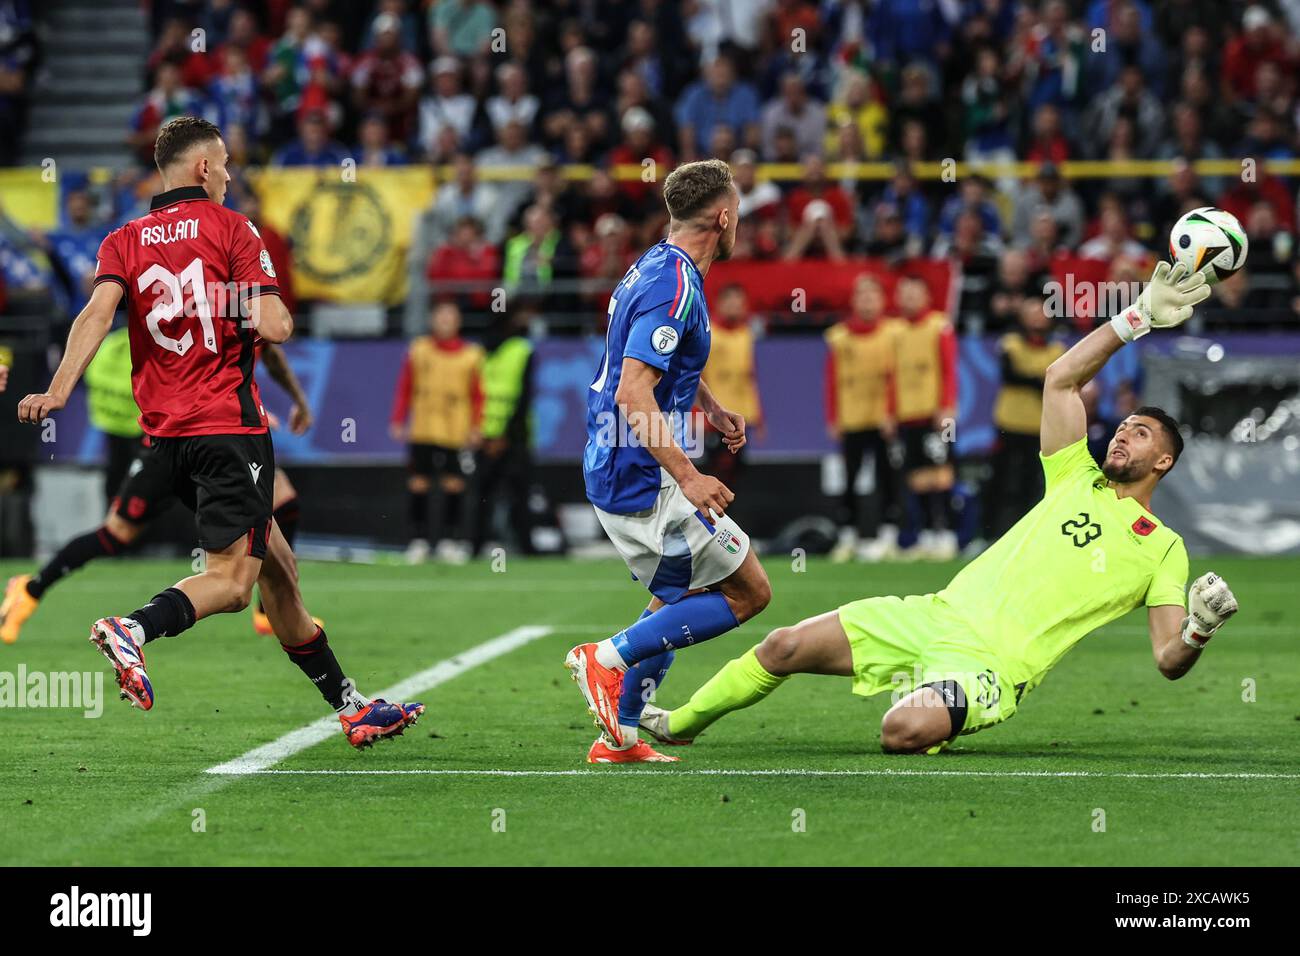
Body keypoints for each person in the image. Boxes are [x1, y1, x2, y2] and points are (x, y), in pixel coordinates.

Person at [639, 262, 1240, 757]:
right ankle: (681, 722)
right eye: (1125, 426)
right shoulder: (1074, 476)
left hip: (994, 663)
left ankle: (940, 702)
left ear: (1163, 464)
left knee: (900, 733)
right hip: (931, 615)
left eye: (1140, 436)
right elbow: (1058, 380)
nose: (1122, 436)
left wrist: (1199, 630)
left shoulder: (1163, 548)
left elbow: (1168, 659)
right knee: (784, 646)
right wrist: (1133, 318)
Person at [12, 116, 422, 748]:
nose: (229, 175)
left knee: (279, 571)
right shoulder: (232, 229)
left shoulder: (123, 240)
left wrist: (58, 390)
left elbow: (96, 314)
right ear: (203, 168)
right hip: (229, 429)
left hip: (168, 440)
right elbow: (274, 326)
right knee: (234, 584)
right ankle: (134, 629)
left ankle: (351, 707)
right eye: (225, 163)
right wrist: (259, 303)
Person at [567, 159, 772, 764]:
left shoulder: (653, 267)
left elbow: (663, 358)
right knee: (748, 593)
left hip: (621, 460)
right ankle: (604, 658)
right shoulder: (674, 284)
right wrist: (690, 474)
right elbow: (634, 391)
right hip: (643, 473)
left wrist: (706, 403)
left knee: (675, 596)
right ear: (725, 217)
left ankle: (620, 736)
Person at [0, 339, 316, 645]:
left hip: (227, 445)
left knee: (283, 501)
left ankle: (269, 613)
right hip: (173, 445)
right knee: (116, 534)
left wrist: (297, 402)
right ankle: (30, 590)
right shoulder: (202, 310)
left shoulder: (250, 309)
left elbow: (271, 353)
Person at [390, 300, 484, 563]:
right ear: (433, 320)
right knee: (419, 483)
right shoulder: (419, 350)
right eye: (440, 316)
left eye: (449, 317)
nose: (444, 321)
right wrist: (398, 419)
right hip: (424, 427)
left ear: (458, 322)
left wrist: (477, 426)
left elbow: (478, 395)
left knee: (454, 484)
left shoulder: (472, 355)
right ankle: (418, 541)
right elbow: (405, 386)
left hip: (456, 429)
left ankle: (450, 541)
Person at [825, 274, 902, 563]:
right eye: (862, 296)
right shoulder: (839, 337)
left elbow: (898, 377)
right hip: (852, 419)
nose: (867, 302)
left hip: (883, 420)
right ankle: (847, 537)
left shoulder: (894, 333)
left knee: (887, 478)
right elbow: (832, 380)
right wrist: (833, 418)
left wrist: (893, 413)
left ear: (882, 300)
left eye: (873, 296)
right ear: (854, 301)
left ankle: (888, 537)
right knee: (850, 480)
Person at [985, 296, 1065, 541]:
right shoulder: (1011, 343)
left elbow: (1059, 382)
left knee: (1032, 486)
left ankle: (1026, 538)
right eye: (1031, 311)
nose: (1037, 317)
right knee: (1000, 481)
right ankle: (991, 535)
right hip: (1008, 425)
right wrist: (1039, 381)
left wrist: (1033, 380)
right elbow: (1009, 375)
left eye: (1041, 312)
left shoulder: (1057, 349)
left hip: (1038, 428)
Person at [891, 275, 958, 560]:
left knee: (940, 476)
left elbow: (948, 369)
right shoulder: (894, 332)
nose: (908, 299)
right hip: (908, 416)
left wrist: (946, 407)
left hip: (935, 415)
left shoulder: (939, 326)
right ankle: (926, 535)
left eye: (914, 294)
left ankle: (946, 534)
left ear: (926, 298)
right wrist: (891, 411)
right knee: (916, 478)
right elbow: (891, 375)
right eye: (904, 294)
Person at [471, 308, 535, 559]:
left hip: (500, 435)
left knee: (489, 496)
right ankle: (522, 548)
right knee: (507, 495)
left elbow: (520, 398)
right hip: (497, 436)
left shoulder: (487, 352)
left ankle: (479, 548)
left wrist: (498, 436)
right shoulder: (520, 350)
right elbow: (522, 397)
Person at [700, 284, 764, 506]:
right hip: (716, 417)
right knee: (716, 468)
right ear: (719, 304)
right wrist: (701, 413)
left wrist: (758, 416)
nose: (735, 306)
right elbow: (698, 377)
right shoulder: (708, 334)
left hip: (741, 416)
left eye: (739, 302)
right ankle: (709, 520)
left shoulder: (747, 334)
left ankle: (726, 522)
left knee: (737, 469)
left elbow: (749, 376)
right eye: (731, 301)